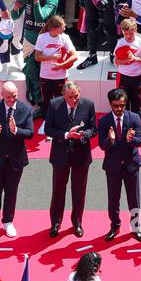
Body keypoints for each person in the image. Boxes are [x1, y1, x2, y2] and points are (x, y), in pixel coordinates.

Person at [0, 80, 35, 238]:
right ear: (2, 95)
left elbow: (30, 133)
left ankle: (8, 221)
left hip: (15, 159)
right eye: (9, 97)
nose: (12, 99)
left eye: (14, 96)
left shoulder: (25, 109)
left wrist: (16, 130)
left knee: (11, 192)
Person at [45, 79, 96, 237]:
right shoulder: (54, 105)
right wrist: (67, 135)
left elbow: (93, 129)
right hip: (60, 155)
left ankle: (77, 221)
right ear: (64, 96)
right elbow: (48, 129)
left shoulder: (88, 104)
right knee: (58, 189)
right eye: (71, 97)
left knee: (79, 191)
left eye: (76, 96)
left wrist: (83, 135)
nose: (74, 100)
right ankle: (56, 222)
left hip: (81, 155)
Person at [98, 87, 141, 241]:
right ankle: (115, 226)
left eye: (122, 105)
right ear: (110, 104)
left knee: (134, 199)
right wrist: (110, 140)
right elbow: (102, 145)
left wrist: (131, 139)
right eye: (116, 106)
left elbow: (140, 141)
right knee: (113, 199)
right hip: (113, 166)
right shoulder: (104, 122)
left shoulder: (134, 118)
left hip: (131, 165)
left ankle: (136, 228)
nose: (119, 109)